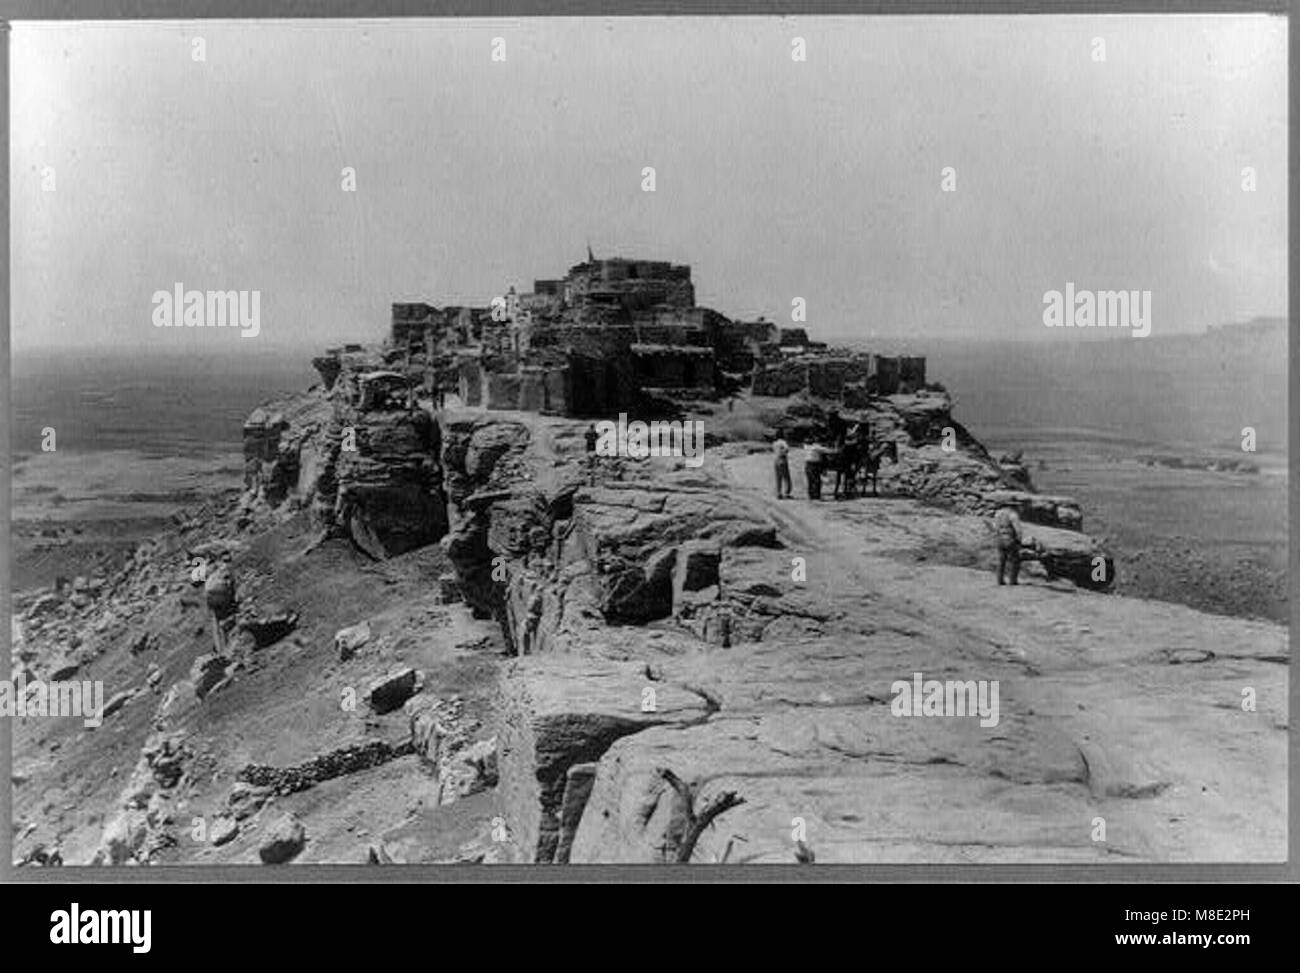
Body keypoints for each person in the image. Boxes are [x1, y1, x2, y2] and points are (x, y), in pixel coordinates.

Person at [992, 503, 1023, 585]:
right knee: (1014, 560)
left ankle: (1000, 580)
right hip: (1010, 538)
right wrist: (1019, 539)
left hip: (1000, 538)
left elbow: (995, 527)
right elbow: (1018, 529)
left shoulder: (998, 514)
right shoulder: (1013, 514)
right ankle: (1013, 580)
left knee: (1001, 560)